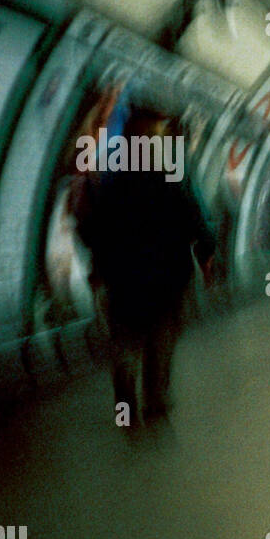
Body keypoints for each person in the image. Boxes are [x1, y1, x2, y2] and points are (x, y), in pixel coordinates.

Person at [74, 108, 215, 425]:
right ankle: (156, 404)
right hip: (168, 276)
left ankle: (125, 411)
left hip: (123, 278)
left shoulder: (111, 178)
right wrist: (206, 253)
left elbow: (91, 229)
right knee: (161, 341)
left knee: (125, 343)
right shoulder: (173, 174)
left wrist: (99, 264)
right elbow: (196, 218)